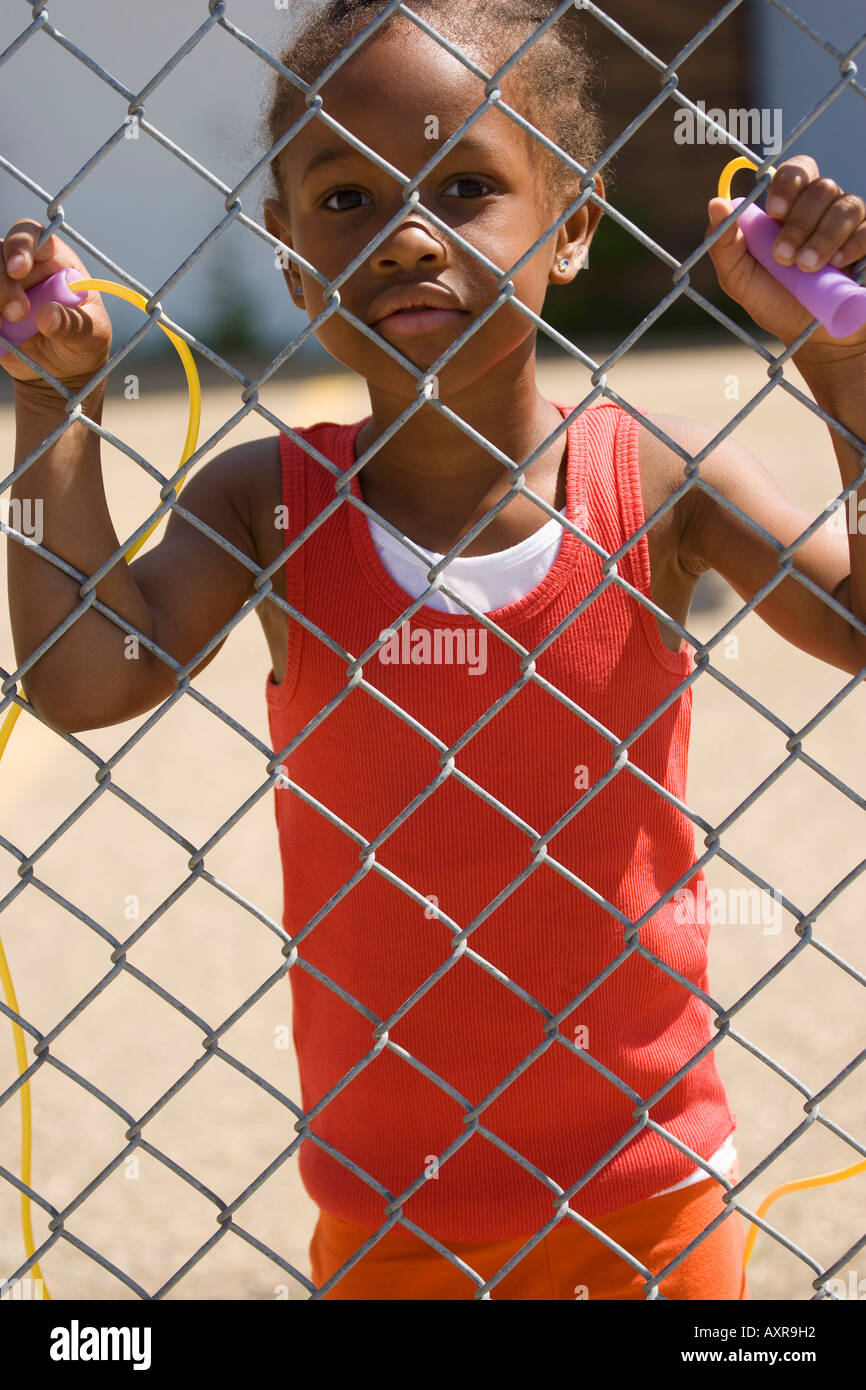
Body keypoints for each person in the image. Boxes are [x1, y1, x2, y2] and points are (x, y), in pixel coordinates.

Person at [4, 0, 865, 1300]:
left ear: (572, 224)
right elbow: (82, 680)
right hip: (394, 1210)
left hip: (656, 1193)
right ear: (292, 261)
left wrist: (846, 373)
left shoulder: (662, 479)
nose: (406, 234)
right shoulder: (265, 501)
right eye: (346, 199)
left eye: (464, 185)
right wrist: (52, 415)